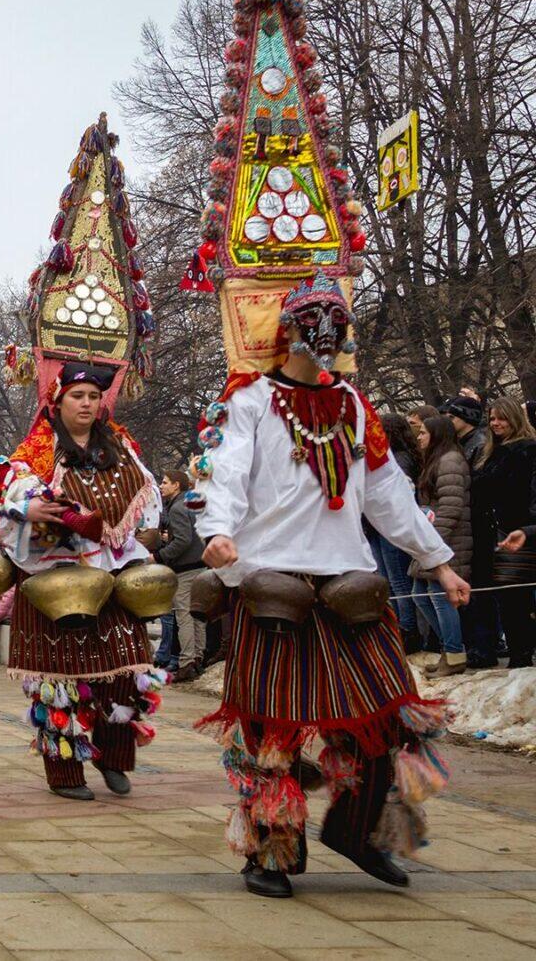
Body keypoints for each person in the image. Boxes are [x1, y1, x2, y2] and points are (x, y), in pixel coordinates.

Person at [194, 279, 468, 897]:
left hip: (347, 581)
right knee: (273, 727)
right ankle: (272, 852)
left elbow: (390, 495)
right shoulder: (250, 400)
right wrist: (217, 532)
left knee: (386, 716)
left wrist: (439, 562)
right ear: (288, 331)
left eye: (337, 326)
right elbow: (226, 471)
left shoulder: (354, 405)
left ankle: (356, 831)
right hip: (269, 584)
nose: (327, 338)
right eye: (315, 325)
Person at [0, 364, 167, 800]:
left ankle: (114, 760)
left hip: (112, 570)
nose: (86, 404)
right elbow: (10, 495)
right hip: (56, 576)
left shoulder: (120, 447)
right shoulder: (39, 451)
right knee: (60, 680)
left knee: (125, 669)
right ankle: (65, 774)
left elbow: (149, 492)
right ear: (58, 401)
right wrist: (31, 511)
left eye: (93, 396)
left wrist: (142, 533)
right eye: (77, 395)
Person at [468, 397, 536, 668]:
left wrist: (527, 527)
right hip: (489, 533)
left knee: (516, 597)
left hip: (515, 532)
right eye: (492, 418)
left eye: (502, 418)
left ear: (515, 419)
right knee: (500, 597)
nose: (495, 423)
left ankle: (522, 653)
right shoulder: (491, 452)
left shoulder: (527, 450)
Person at [408, 416, 471, 675]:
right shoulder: (435, 461)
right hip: (433, 538)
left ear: (436, 434)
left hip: (448, 540)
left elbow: (451, 507)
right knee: (419, 595)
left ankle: (454, 653)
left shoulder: (449, 461)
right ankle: (450, 648)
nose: (419, 437)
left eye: (423, 433)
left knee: (441, 598)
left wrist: (433, 544)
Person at [368, 413, 424, 653]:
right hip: (374, 526)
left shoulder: (400, 459)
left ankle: (407, 629)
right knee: (387, 582)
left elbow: (393, 495)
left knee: (398, 581)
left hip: (390, 528)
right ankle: (398, 627)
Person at [156, 468, 207, 680]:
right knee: (197, 615)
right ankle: (197, 658)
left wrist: (159, 556)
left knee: (184, 615)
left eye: (165, 482)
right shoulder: (191, 502)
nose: (161, 485)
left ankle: (186, 663)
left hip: (185, 569)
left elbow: (183, 540)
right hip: (201, 565)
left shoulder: (177, 507)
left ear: (177, 485)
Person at [442, 394, 488, 470]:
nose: (447, 421)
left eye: (451, 417)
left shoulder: (480, 445)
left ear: (467, 418)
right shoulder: (456, 442)